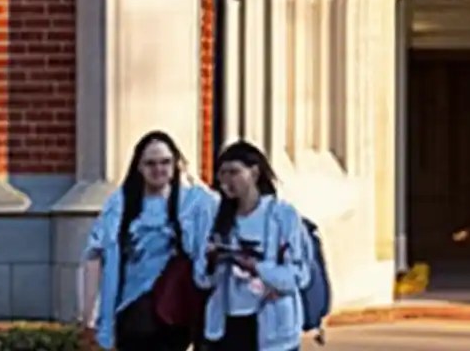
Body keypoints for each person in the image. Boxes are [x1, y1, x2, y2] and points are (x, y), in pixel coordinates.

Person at [79, 130, 215, 351]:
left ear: (175, 164)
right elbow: (95, 255)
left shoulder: (196, 202)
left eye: (165, 162)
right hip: (133, 308)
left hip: (175, 309)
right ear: (139, 167)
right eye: (150, 163)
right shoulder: (120, 204)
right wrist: (88, 315)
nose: (158, 169)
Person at [195, 141, 312, 351]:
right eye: (222, 174)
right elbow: (201, 278)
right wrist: (212, 260)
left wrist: (256, 267)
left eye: (234, 172)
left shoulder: (282, 215)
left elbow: (299, 275)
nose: (226, 181)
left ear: (255, 173)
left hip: (271, 325)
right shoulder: (216, 217)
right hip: (225, 323)